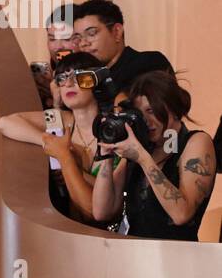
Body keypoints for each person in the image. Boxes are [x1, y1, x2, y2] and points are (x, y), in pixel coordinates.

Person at [92, 71, 216, 240]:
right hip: (134, 256)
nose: (146, 120)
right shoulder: (141, 147)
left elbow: (181, 214)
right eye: (140, 113)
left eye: (151, 110)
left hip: (176, 259)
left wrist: (143, 158)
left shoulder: (196, 142)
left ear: (173, 109)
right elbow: (101, 212)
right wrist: (107, 157)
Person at [0, 51, 116, 227]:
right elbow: (5, 123)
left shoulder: (112, 127)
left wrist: (67, 161)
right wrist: (50, 143)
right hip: (73, 225)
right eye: (61, 78)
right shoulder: (61, 120)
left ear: (95, 81)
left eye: (77, 77)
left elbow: (101, 203)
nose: (68, 84)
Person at [72, 0, 173, 95]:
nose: (83, 43)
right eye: (78, 38)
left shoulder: (149, 62)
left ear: (117, 32)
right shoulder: (84, 77)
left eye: (91, 33)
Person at [32, 3, 77, 110]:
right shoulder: (47, 76)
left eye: (66, 39)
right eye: (52, 39)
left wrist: (58, 103)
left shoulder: (91, 76)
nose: (57, 47)